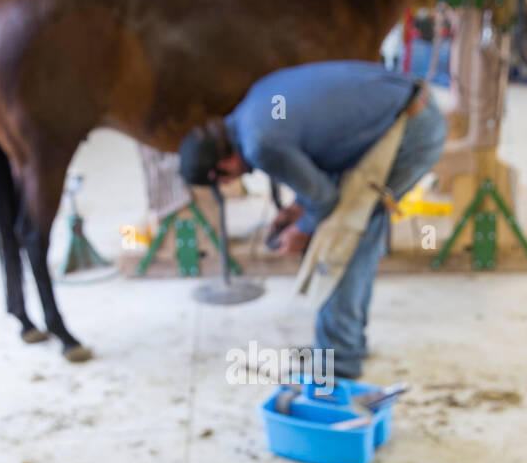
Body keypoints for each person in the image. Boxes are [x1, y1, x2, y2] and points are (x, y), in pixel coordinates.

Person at [178, 60, 447, 378]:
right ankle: (345, 345)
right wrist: (299, 208)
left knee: (343, 239)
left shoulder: (260, 145)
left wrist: (303, 230)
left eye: (223, 181)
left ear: (221, 167)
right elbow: (317, 158)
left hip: (409, 130)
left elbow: (326, 199)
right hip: (402, 108)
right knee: (351, 230)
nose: (229, 183)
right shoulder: (251, 111)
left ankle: (339, 363)